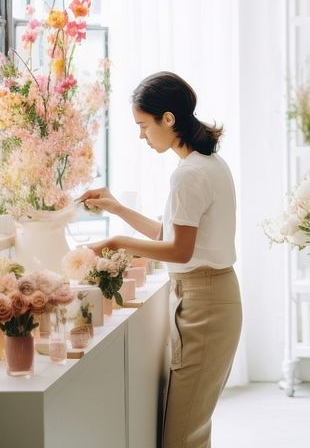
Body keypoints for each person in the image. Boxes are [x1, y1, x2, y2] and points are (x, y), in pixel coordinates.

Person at [80, 71, 240, 448]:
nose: (141, 135)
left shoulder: (189, 174)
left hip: (205, 303)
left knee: (181, 436)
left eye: (143, 125)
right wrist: (118, 208)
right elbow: (170, 236)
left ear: (168, 119)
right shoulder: (206, 164)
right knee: (191, 430)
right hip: (210, 298)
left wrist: (120, 242)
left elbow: (179, 251)